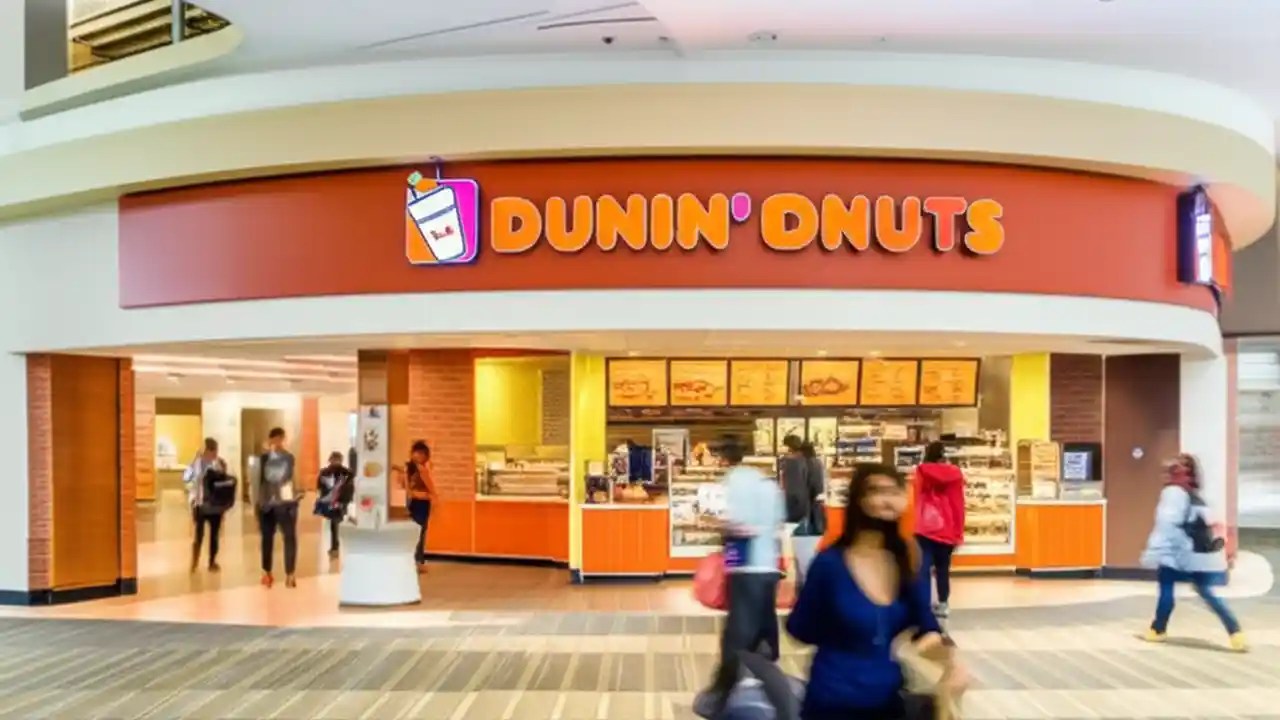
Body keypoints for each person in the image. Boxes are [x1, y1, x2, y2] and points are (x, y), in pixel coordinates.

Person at [788, 462, 966, 720]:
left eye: (894, 491)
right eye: (875, 491)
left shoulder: (909, 559)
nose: (885, 500)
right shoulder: (830, 564)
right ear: (858, 500)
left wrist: (950, 663)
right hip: (833, 701)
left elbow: (926, 626)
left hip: (887, 701)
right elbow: (799, 628)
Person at [700, 435, 786, 717]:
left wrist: (712, 523)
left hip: (746, 566)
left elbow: (739, 525)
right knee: (763, 632)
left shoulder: (734, 481)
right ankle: (769, 691)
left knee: (737, 635)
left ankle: (721, 695)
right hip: (769, 567)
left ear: (724, 458)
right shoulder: (767, 483)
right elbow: (777, 524)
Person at [1141, 453, 1246, 652]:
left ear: (1183, 474)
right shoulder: (1197, 498)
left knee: (1166, 589)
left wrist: (1156, 550)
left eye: (1176, 469)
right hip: (1197, 556)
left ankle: (1158, 630)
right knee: (1206, 593)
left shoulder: (1173, 494)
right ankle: (1235, 632)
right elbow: (1214, 525)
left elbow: (1166, 526)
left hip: (1177, 553)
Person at [913, 441, 966, 617]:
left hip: (925, 528)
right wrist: (959, 532)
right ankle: (943, 604)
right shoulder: (956, 473)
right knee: (943, 569)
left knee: (923, 569)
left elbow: (917, 496)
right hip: (948, 528)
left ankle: (923, 605)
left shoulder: (921, 471)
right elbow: (959, 504)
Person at [258, 427, 300, 589]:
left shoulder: (288, 458)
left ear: (282, 439)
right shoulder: (263, 458)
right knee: (267, 539)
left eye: (279, 439)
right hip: (266, 504)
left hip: (284, 503)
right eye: (274, 439)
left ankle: (290, 574)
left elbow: (283, 476)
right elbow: (258, 480)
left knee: (289, 537)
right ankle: (267, 572)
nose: (277, 442)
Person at [183, 438, 228, 573]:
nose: (215, 454)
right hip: (200, 505)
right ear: (207, 450)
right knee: (199, 534)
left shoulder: (220, 464)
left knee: (214, 535)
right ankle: (194, 561)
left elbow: (224, 484)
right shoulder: (197, 463)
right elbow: (186, 478)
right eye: (212, 451)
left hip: (215, 506)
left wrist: (224, 506)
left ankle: (212, 561)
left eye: (216, 451)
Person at [404, 440, 438, 573]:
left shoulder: (411, 468)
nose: (420, 456)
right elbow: (431, 489)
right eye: (418, 453)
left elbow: (409, 489)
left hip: (415, 502)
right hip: (419, 503)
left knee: (417, 533)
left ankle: (416, 560)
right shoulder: (419, 469)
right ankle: (417, 561)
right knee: (419, 533)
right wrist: (431, 496)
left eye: (423, 454)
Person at [315, 451, 355, 559]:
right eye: (334, 459)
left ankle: (335, 548)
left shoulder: (346, 473)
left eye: (337, 459)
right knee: (334, 523)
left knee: (334, 523)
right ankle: (335, 547)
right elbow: (320, 486)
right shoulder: (325, 472)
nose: (335, 462)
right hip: (333, 501)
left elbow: (349, 488)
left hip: (339, 501)